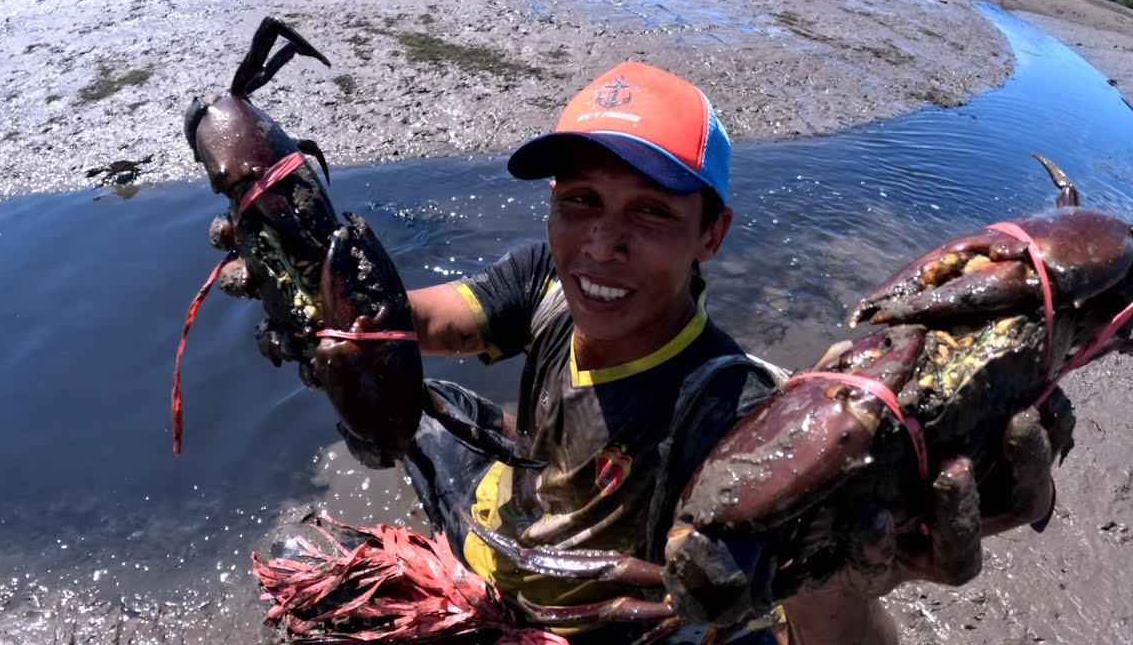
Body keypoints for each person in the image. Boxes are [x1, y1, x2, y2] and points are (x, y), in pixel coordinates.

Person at [223, 62, 1060, 644]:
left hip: (577, 618)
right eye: (579, 202)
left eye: (651, 213)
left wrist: (836, 575)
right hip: (498, 522)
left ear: (713, 235)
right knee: (397, 455)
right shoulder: (549, 275)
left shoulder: (735, 416)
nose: (602, 243)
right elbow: (435, 324)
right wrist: (312, 289)